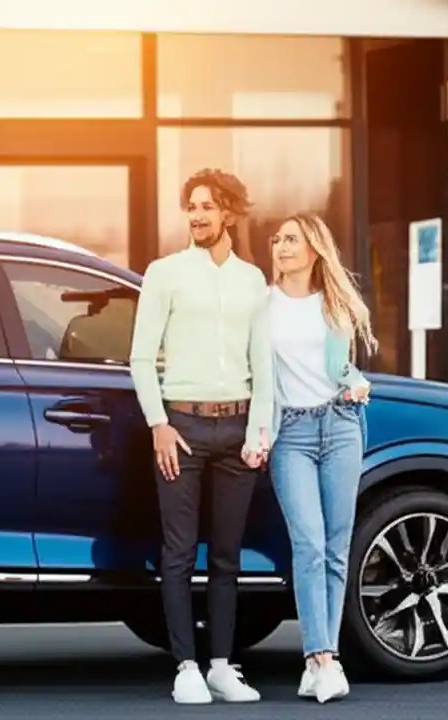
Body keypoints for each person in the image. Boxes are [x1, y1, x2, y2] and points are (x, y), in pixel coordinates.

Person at [129, 168, 272, 705]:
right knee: (178, 553)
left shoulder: (252, 280)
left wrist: (259, 431)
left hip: (236, 429)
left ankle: (220, 666)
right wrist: (158, 424)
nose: (197, 215)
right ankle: (185, 665)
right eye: (191, 206)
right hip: (181, 428)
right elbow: (141, 357)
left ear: (230, 213)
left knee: (228, 556)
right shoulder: (164, 274)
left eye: (208, 206)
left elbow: (263, 366)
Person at [265, 212, 378, 704]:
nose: (282, 246)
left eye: (292, 239)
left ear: (314, 249)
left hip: (340, 426)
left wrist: (355, 380)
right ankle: (322, 658)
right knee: (308, 544)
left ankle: (321, 656)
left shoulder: (335, 306)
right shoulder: (261, 306)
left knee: (336, 547)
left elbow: (338, 365)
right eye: (278, 239)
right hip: (290, 432)